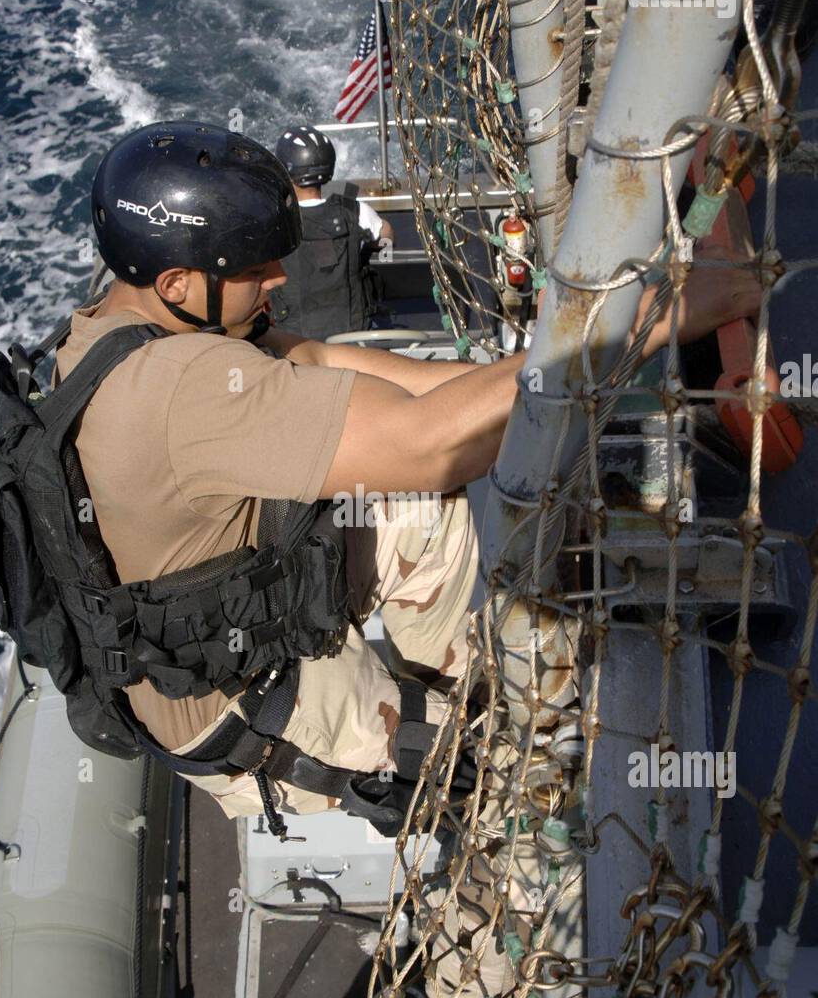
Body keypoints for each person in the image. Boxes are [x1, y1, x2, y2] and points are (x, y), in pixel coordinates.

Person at [56, 118, 762, 844]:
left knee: (420, 511)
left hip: (213, 605)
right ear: (177, 281)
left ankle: (476, 679)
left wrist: (531, 379)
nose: (276, 279)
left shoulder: (136, 331)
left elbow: (364, 377)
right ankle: (498, 870)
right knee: (491, 797)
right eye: (253, 269)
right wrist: (654, 319)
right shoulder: (185, 392)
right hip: (236, 698)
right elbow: (430, 448)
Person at [270, 123, 393, 340]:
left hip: (292, 342)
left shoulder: (275, 219)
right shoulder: (356, 212)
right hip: (353, 341)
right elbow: (387, 236)